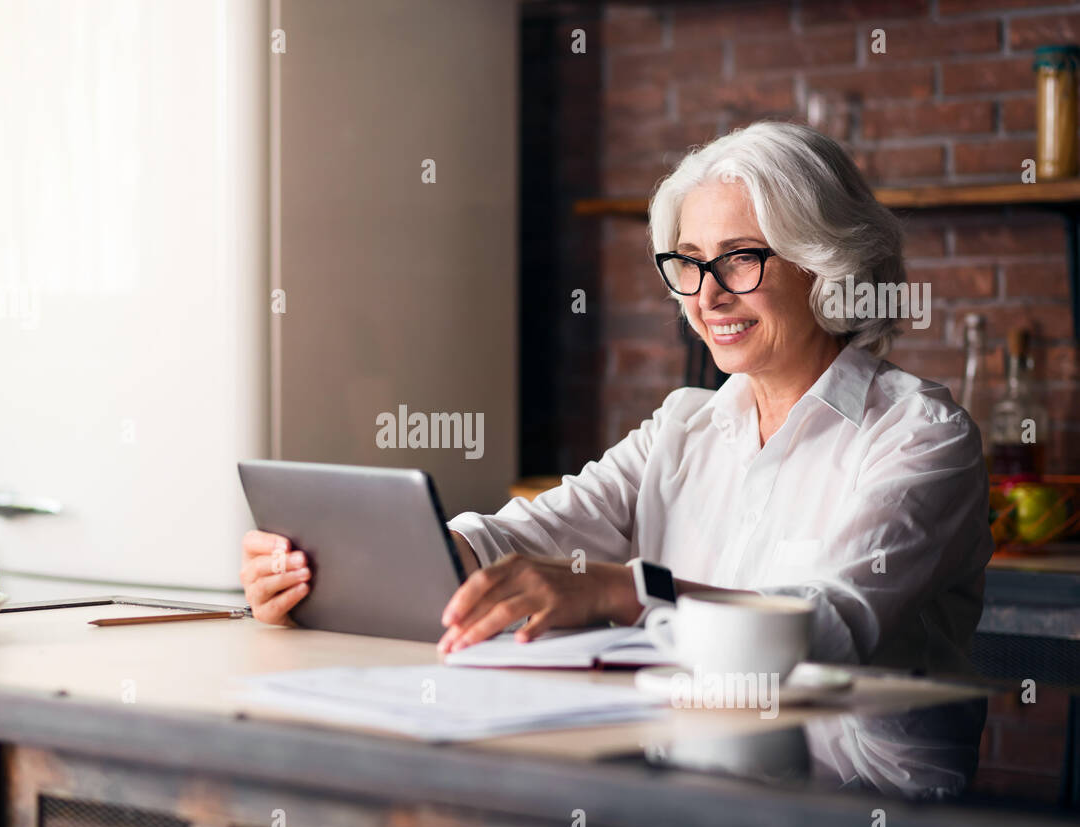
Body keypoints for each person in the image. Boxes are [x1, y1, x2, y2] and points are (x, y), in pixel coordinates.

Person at [241, 121, 994, 674]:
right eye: (689, 264)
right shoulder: (684, 425)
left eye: (739, 260)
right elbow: (533, 534)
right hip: (679, 794)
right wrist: (342, 561)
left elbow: (829, 623)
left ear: (827, 265)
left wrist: (616, 589)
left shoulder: (920, 436)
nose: (707, 296)